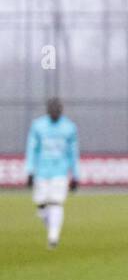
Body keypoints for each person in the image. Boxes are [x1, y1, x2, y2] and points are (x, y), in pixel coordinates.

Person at [25, 97, 80, 249]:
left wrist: (75, 175)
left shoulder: (69, 127)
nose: (55, 112)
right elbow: (32, 149)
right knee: (41, 206)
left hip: (60, 172)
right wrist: (30, 171)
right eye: (53, 109)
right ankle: (52, 229)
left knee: (56, 202)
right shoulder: (38, 126)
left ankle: (53, 237)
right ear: (48, 110)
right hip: (41, 172)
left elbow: (72, 153)